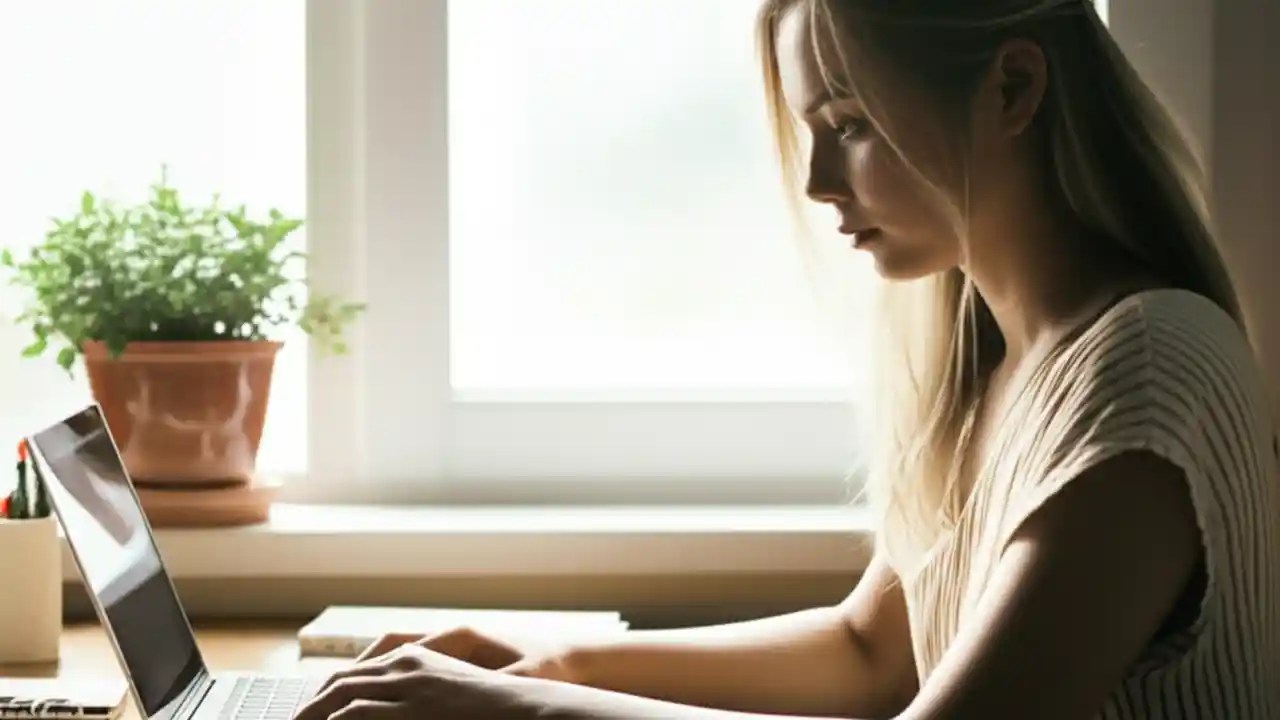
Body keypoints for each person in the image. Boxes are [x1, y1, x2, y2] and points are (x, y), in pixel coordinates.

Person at [292, 0, 1280, 718]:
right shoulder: (998, 356)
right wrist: (545, 662)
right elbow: (867, 656)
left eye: (846, 127)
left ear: (1013, 86)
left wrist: (522, 713)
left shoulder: (1145, 372)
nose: (814, 182)